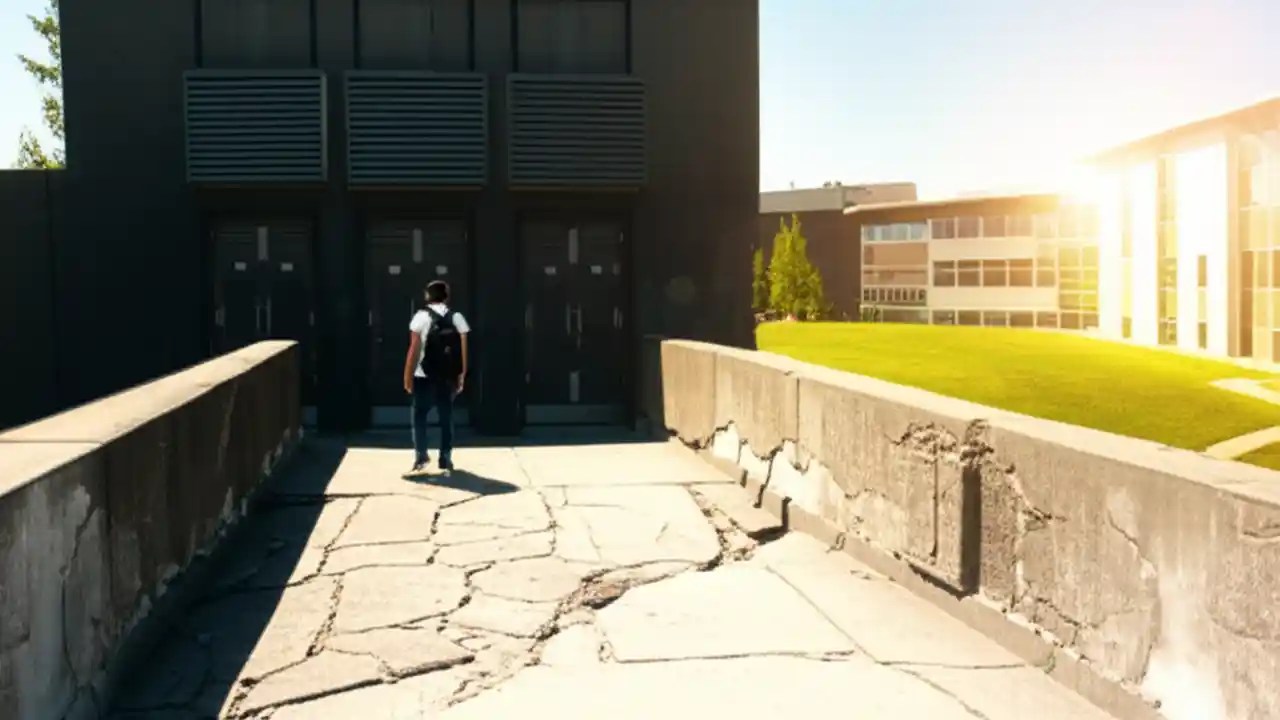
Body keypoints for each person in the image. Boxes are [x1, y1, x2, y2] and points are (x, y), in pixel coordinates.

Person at [403, 280, 470, 474]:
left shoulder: (420, 317)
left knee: (420, 415)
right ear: (446, 296)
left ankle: (421, 455)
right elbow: (463, 350)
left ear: (427, 296)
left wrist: (408, 375)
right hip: (447, 376)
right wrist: (461, 374)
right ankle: (445, 456)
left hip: (423, 375)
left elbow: (413, 349)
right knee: (446, 417)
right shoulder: (457, 317)